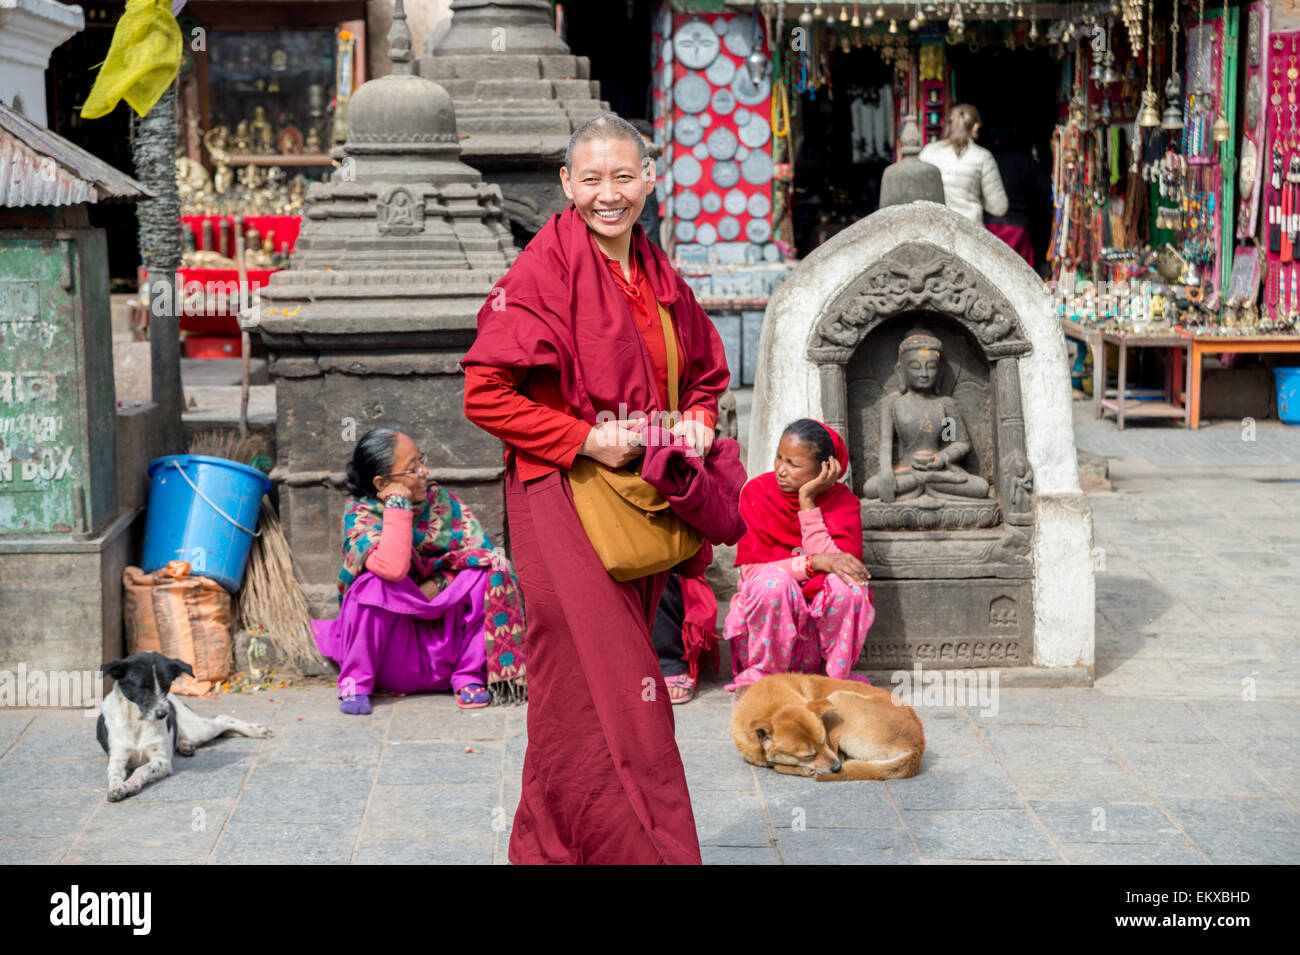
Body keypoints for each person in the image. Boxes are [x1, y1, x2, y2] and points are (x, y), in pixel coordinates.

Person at [461, 113, 731, 865]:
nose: (607, 194)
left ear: (649, 178)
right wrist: (582, 436)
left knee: (572, 695)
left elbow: (705, 367)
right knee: (624, 693)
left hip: (635, 502)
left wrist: (700, 418)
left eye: (623, 176)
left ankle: (551, 846)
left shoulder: (655, 270)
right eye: (591, 179)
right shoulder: (542, 270)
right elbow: (484, 394)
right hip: (561, 500)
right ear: (566, 185)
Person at [312, 428, 526, 715]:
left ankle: (469, 676)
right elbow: (393, 569)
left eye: (420, 460)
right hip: (391, 651)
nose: (424, 471)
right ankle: (356, 683)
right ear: (382, 482)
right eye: (412, 468)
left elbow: (479, 554)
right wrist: (398, 504)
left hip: (442, 641)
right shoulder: (359, 516)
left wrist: (437, 584)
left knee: (489, 570)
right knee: (371, 585)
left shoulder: (441, 502)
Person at [724, 419, 874, 692]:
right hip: (769, 643)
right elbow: (752, 573)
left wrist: (808, 503)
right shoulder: (757, 492)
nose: (780, 469)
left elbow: (844, 567)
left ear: (824, 469)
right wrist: (812, 563)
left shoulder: (843, 502)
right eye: (779, 458)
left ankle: (835, 678)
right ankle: (764, 678)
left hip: (816, 645)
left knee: (849, 585)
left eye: (793, 464)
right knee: (772, 583)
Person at [918, 103, 1009, 224]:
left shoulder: (928, 152)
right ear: (975, 127)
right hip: (968, 231)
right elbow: (999, 207)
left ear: (948, 125)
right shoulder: (982, 157)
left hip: (934, 228)